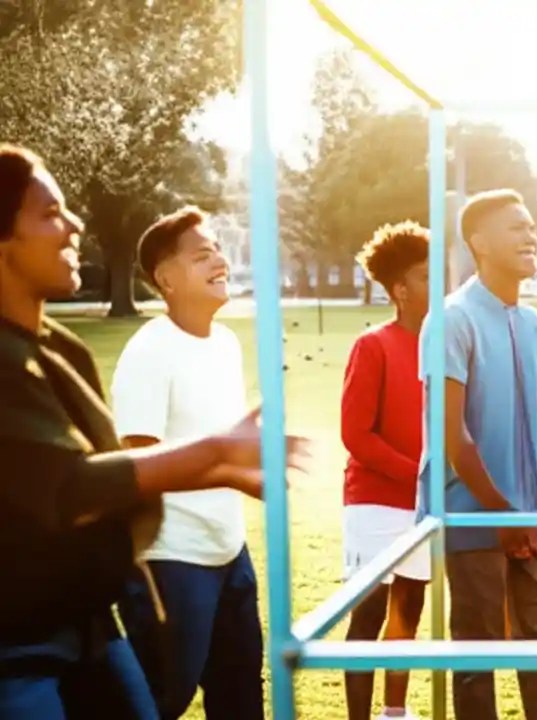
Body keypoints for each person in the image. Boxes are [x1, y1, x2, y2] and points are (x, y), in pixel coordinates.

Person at [0, 145, 306, 720]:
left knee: (240, 697)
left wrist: (235, 469)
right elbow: (75, 485)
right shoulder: (124, 352)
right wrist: (219, 456)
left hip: (95, 619)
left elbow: (104, 471)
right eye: (48, 214)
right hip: (22, 645)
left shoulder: (62, 348)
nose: (75, 226)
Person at [418, 189, 537, 720]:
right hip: (472, 516)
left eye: (532, 226)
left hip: (528, 518)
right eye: (516, 227)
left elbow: (531, 424)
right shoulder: (451, 320)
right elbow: (451, 436)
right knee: (476, 658)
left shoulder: (532, 325)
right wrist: (501, 515)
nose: (532, 235)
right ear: (478, 243)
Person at [109, 207, 265, 720]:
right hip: (172, 560)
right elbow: (141, 463)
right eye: (203, 255)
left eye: (218, 248)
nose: (220, 260)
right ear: (166, 280)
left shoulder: (224, 343)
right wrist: (237, 472)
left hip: (229, 553)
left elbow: (220, 434)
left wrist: (253, 456)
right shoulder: (150, 351)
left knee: (241, 699)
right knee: (160, 701)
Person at [341, 221, 433, 720]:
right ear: (400, 289)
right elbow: (356, 436)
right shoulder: (373, 345)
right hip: (375, 503)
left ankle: (394, 713)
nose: (436, 283)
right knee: (369, 616)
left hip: (423, 507)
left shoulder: (444, 346)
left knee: (408, 613)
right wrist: (418, 475)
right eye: (423, 276)